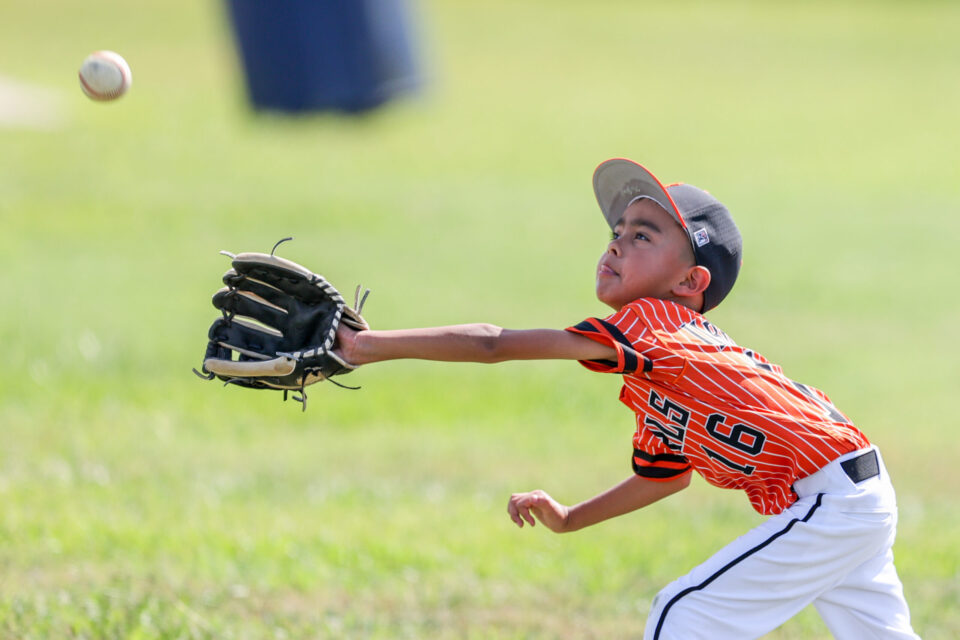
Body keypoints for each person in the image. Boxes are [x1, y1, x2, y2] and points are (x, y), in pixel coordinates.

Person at [333, 158, 919, 639]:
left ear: (690, 284)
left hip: (832, 498)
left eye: (643, 236)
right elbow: (666, 477)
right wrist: (569, 519)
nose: (616, 245)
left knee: (683, 615)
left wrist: (369, 346)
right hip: (848, 494)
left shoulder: (653, 324)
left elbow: (494, 346)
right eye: (617, 233)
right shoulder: (664, 371)